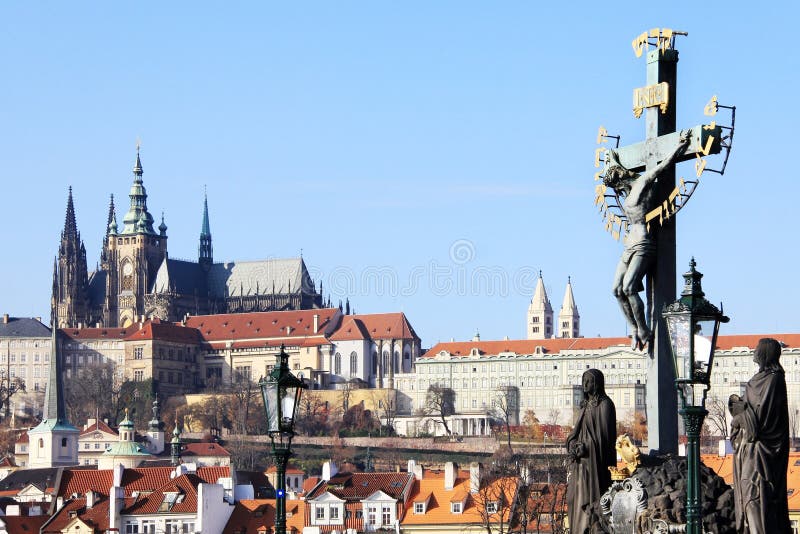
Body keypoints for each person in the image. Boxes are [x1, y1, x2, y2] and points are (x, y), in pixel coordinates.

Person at [604, 130, 691, 350]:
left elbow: (661, 167)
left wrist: (679, 147)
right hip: (629, 244)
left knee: (630, 287)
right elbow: (613, 163)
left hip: (643, 241)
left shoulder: (642, 183)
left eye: (617, 184)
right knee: (616, 289)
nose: (617, 190)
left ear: (623, 176)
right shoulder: (627, 191)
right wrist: (610, 157)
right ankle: (634, 328)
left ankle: (643, 329)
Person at [729, 338, 790, 533]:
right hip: (750, 449)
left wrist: (740, 414)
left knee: (754, 496)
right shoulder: (758, 380)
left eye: (757, 348)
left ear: (765, 353)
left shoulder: (774, 379)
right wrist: (739, 410)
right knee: (749, 497)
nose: (754, 351)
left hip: (763, 452)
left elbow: (762, 418)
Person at [566, 369, 616, 534]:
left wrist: (586, 447)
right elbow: (575, 433)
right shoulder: (584, 406)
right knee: (573, 499)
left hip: (596, 465)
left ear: (598, 383)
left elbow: (605, 440)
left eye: (589, 381)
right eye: (584, 381)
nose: (585, 384)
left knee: (590, 505)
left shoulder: (606, 405)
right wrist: (573, 445)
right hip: (580, 464)